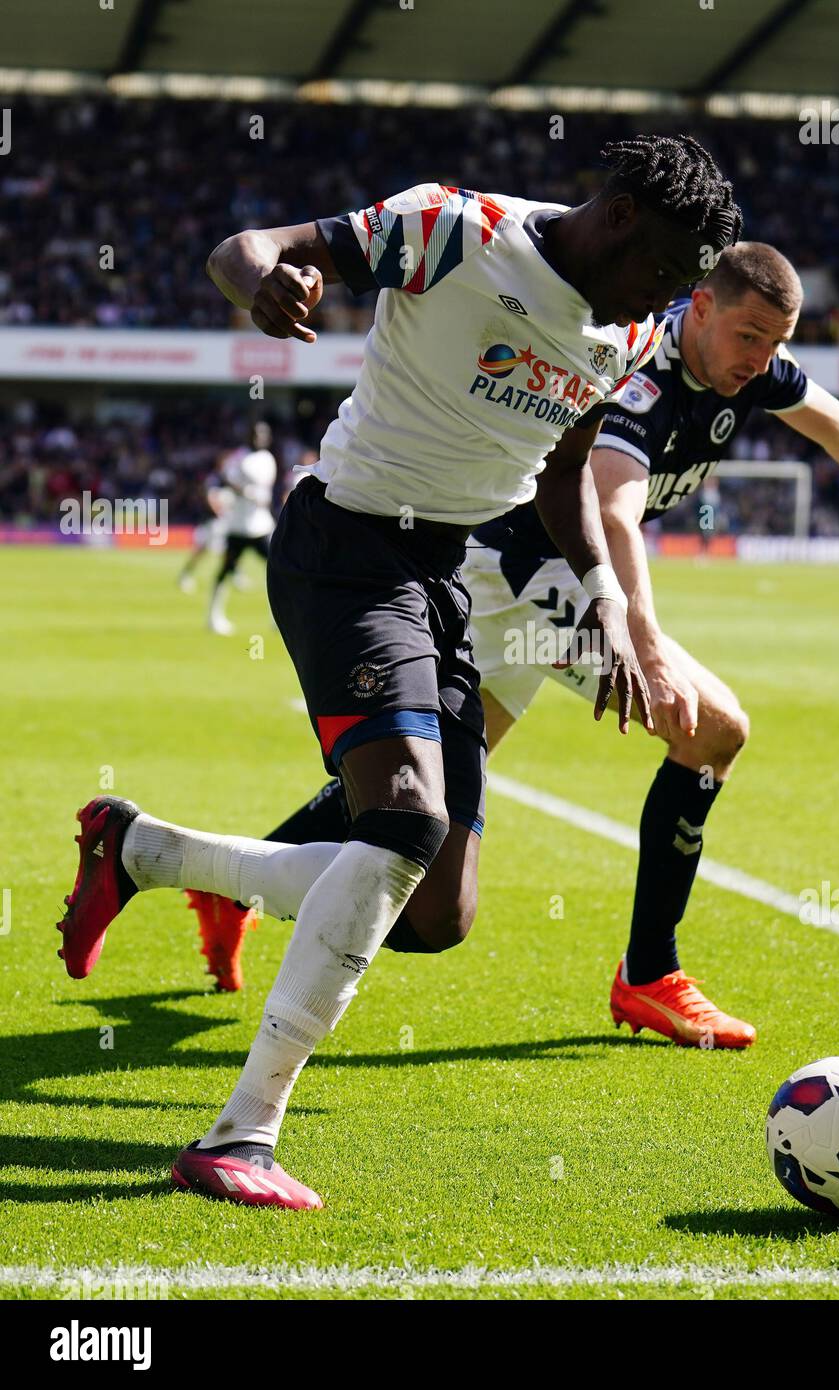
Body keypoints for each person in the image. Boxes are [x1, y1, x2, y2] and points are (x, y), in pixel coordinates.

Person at [55, 135, 744, 1209]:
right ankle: (240, 1134)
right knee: (403, 824)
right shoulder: (456, 231)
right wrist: (265, 284)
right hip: (346, 547)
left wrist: (607, 602)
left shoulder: (639, 319)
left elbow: (562, 468)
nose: (654, 305)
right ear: (614, 220)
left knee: (432, 914)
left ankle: (140, 849)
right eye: (658, 273)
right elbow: (249, 246)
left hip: (442, 572)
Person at [187, 242, 839, 1048]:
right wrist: (646, 644)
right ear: (698, 307)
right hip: (516, 573)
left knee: (420, 787)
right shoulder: (640, 372)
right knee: (714, 730)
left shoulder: (748, 366)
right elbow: (614, 509)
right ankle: (649, 974)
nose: (759, 357)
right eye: (747, 336)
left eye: (777, 343)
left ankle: (237, 883)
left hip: (529, 582)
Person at [206, 422, 277, 635]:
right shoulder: (239, 457)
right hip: (238, 525)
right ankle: (213, 615)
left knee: (278, 570)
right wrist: (245, 491)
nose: (260, 438)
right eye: (256, 434)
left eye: (264, 434)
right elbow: (226, 477)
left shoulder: (267, 458)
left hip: (260, 525)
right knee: (226, 570)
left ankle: (278, 618)